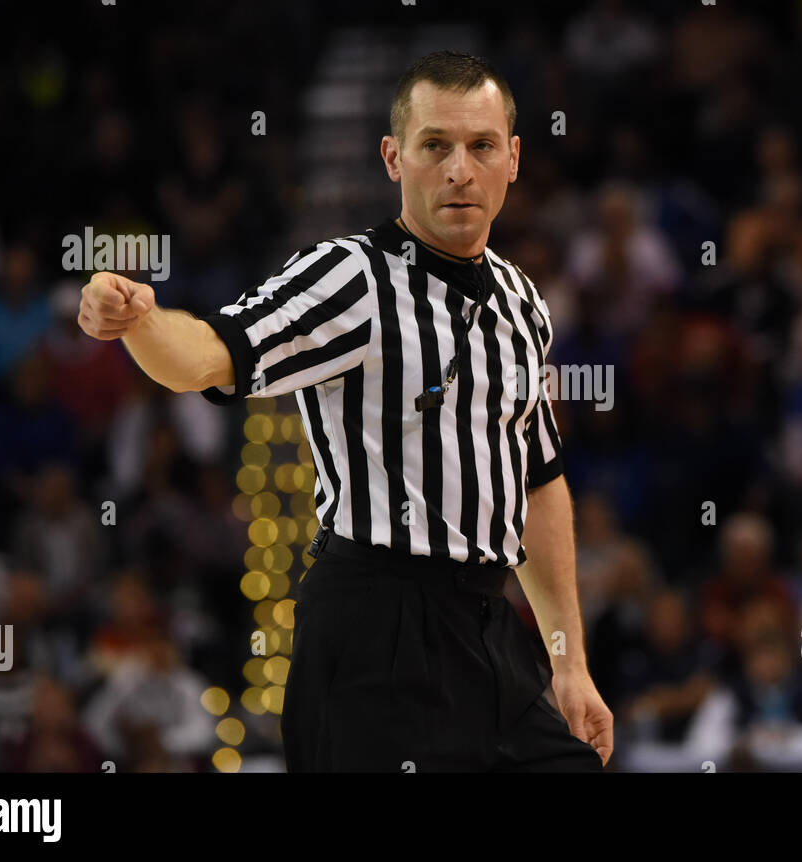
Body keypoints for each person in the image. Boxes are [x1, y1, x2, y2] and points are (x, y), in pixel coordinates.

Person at [77, 50, 611, 771]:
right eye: (435, 147)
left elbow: (539, 482)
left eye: (481, 146)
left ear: (512, 159)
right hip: (374, 630)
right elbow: (209, 354)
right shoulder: (351, 278)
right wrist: (137, 320)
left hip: (490, 631)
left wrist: (568, 661)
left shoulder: (522, 301)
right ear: (394, 158)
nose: (460, 169)